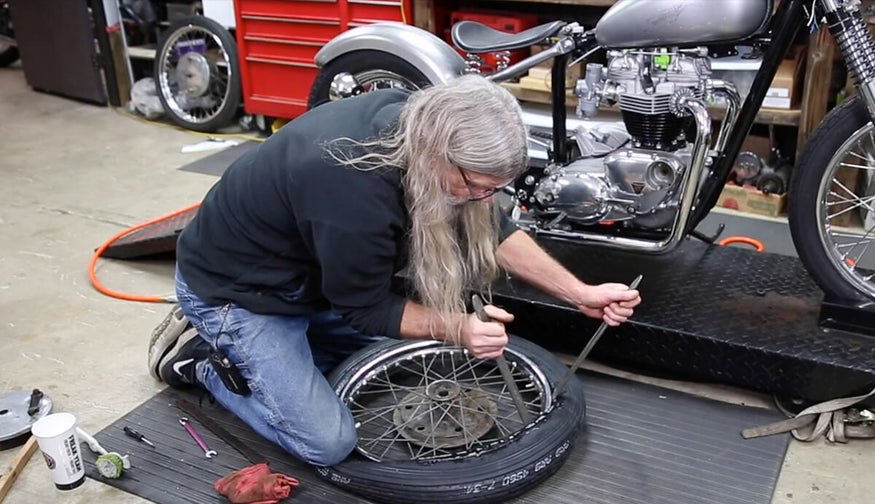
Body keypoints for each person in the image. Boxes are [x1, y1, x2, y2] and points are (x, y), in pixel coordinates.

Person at [148, 74, 641, 467]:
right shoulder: (352, 186)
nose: (484, 199)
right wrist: (457, 327)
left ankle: (283, 359)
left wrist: (580, 293)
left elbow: (493, 227)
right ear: (438, 154)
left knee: (395, 352)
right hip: (239, 294)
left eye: (495, 188)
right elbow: (364, 308)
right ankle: (202, 360)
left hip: (310, 282)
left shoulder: (424, 123)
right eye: (477, 186)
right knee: (326, 442)